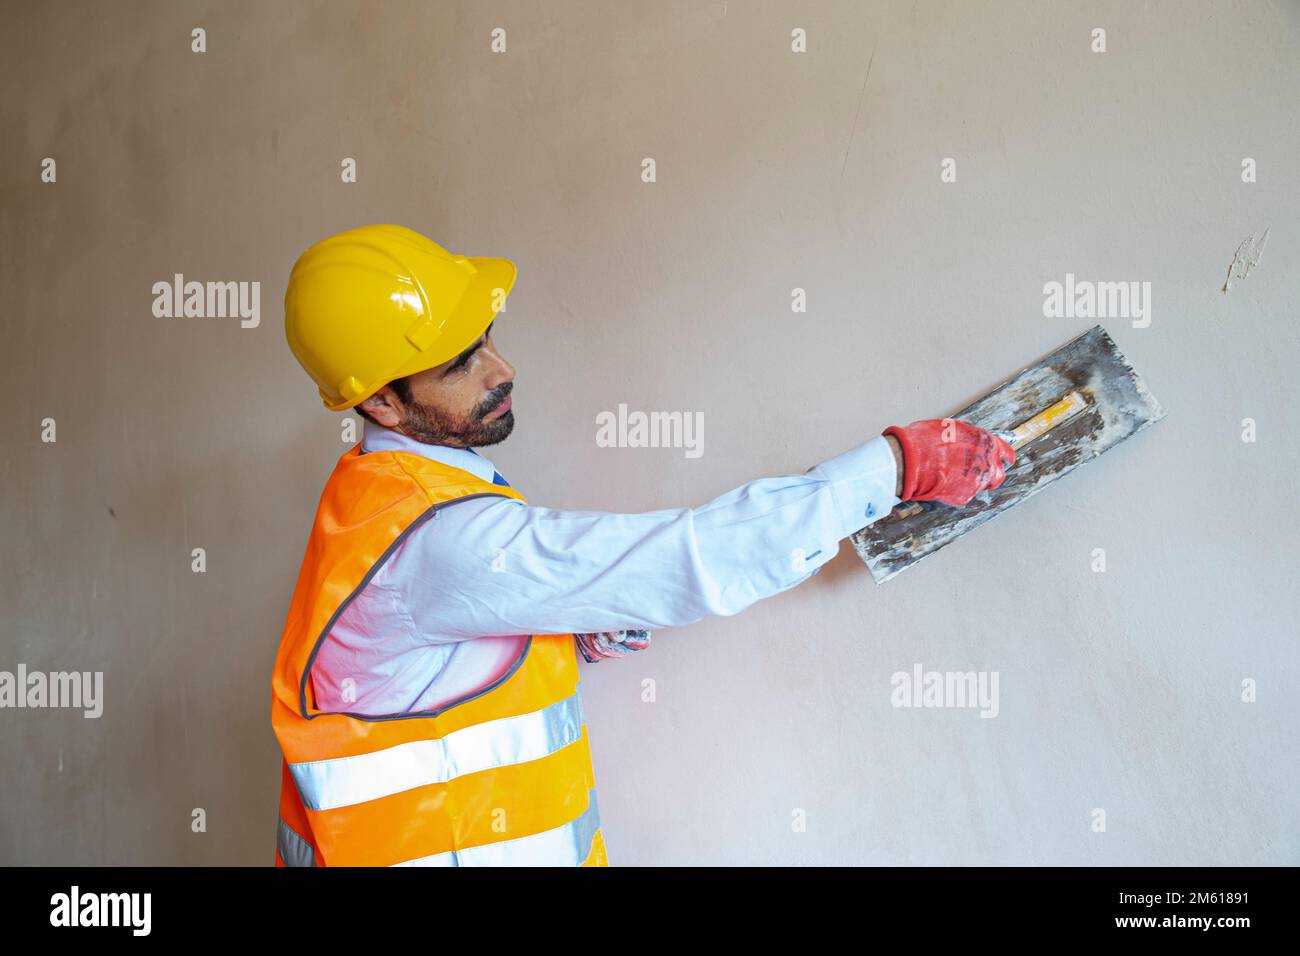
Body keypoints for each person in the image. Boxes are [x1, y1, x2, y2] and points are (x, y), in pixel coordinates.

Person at [269, 223, 1014, 867]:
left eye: (487, 339)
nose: (502, 371)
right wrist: (892, 468)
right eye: (461, 362)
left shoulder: (382, 499)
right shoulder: (437, 534)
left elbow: (413, 683)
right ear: (381, 400)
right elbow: (686, 556)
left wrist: (558, 645)